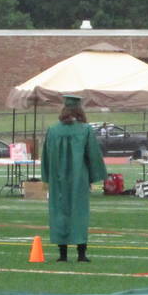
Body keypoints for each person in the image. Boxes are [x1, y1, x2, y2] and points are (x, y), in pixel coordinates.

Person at [41, 95, 107, 263]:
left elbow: (46, 156)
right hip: (79, 178)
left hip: (58, 179)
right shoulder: (85, 130)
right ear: (79, 111)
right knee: (80, 212)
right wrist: (93, 176)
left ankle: (62, 254)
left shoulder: (53, 130)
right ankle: (81, 254)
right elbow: (93, 155)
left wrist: (47, 177)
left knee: (59, 212)